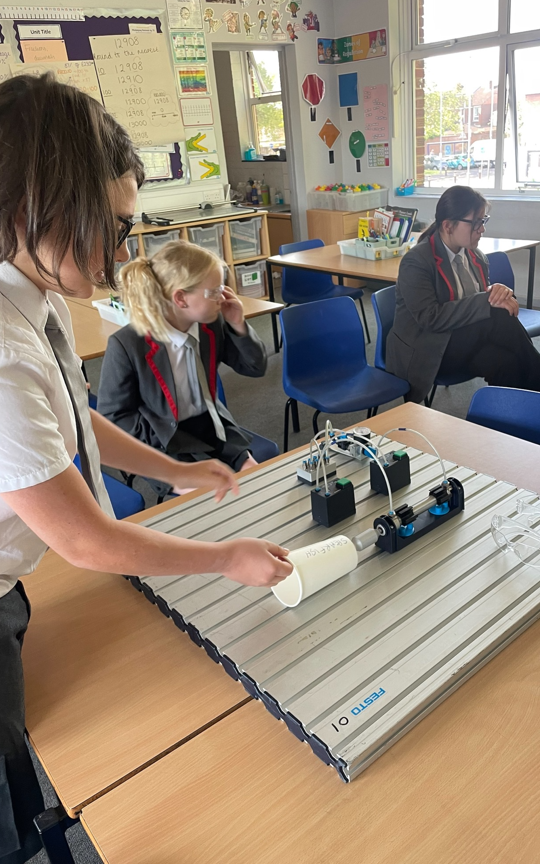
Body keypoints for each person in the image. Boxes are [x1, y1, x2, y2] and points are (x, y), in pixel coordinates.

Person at [0, 74, 292, 864]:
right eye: (115, 225)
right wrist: (224, 558)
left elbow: (73, 417)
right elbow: (88, 543)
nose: (123, 252)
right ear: (40, 205)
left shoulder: (42, 290)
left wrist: (180, 469)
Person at [97, 241, 267, 496]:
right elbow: (114, 417)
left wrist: (238, 324)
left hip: (212, 425)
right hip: (165, 440)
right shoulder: (127, 344)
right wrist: (168, 472)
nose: (222, 297)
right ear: (180, 298)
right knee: (207, 498)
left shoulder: (211, 323)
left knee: (253, 479)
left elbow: (255, 367)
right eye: (214, 292)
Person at [386, 185, 540, 404]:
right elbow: (430, 318)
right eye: (476, 222)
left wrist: (497, 292)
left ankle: (519, 422)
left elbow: (476, 300)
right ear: (448, 225)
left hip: (464, 340)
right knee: (497, 316)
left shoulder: (476, 256)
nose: (482, 229)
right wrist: (489, 301)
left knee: (504, 362)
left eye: (483, 220)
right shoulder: (417, 261)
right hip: (428, 348)